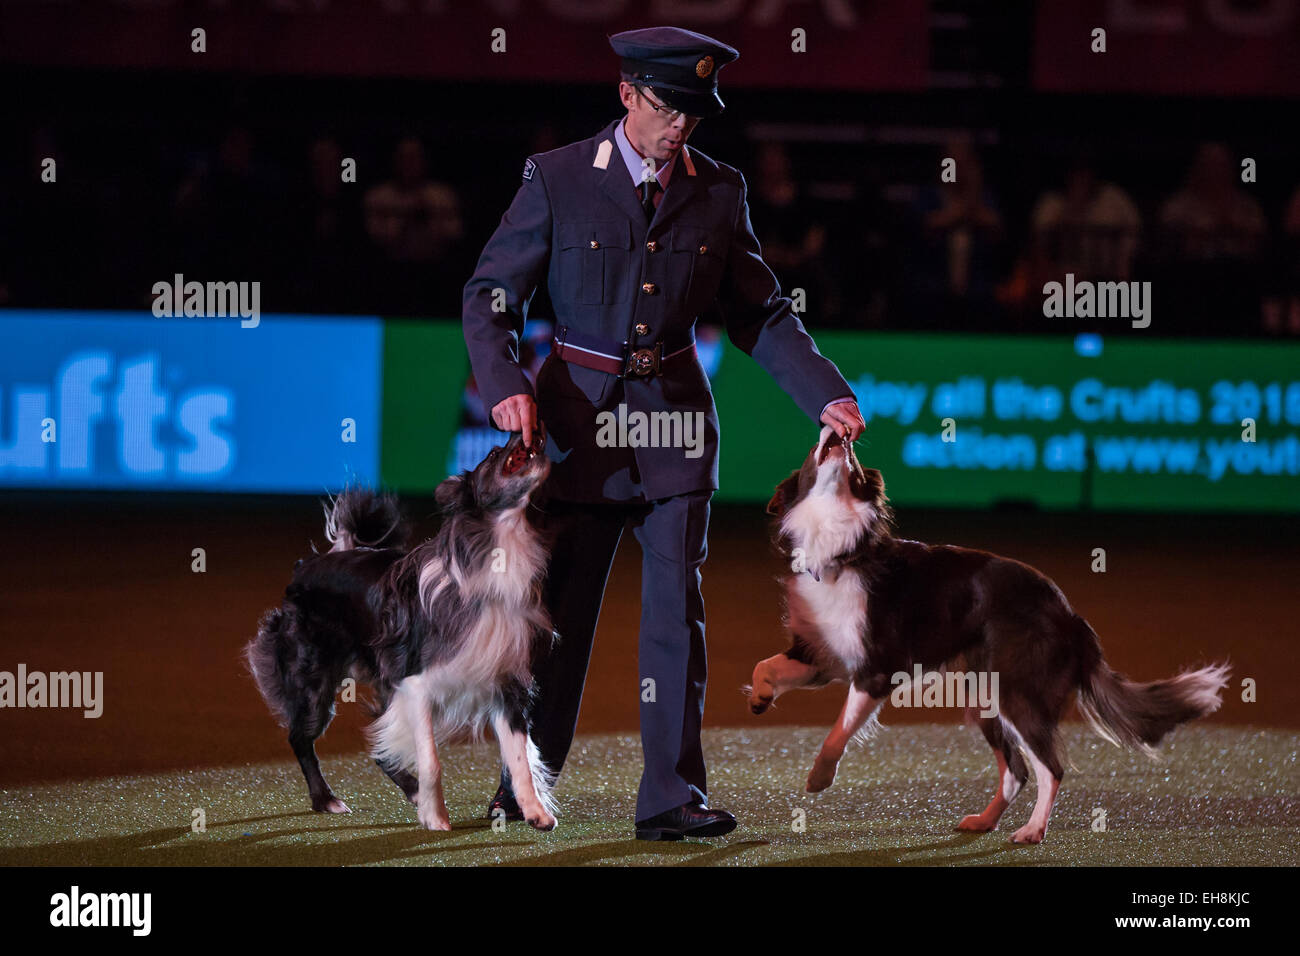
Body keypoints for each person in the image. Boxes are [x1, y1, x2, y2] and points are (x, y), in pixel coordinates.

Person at [461, 26, 864, 841]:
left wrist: (826, 392)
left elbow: (759, 311)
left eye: (694, 111)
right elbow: (491, 296)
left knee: (676, 615)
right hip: (574, 434)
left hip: (677, 433)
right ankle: (524, 785)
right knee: (558, 625)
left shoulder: (719, 189)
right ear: (627, 95)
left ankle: (671, 799)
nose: (681, 123)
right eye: (668, 104)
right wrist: (504, 386)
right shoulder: (558, 177)